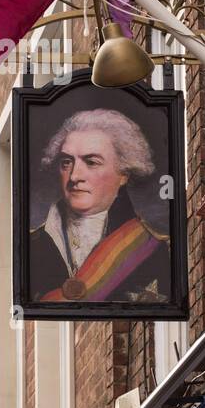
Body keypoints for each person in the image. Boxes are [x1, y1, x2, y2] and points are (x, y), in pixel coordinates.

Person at [28, 108, 171, 303]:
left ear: (124, 173)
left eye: (91, 162)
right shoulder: (31, 247)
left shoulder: (148, 246)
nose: (75, 176)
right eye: (66, 162)